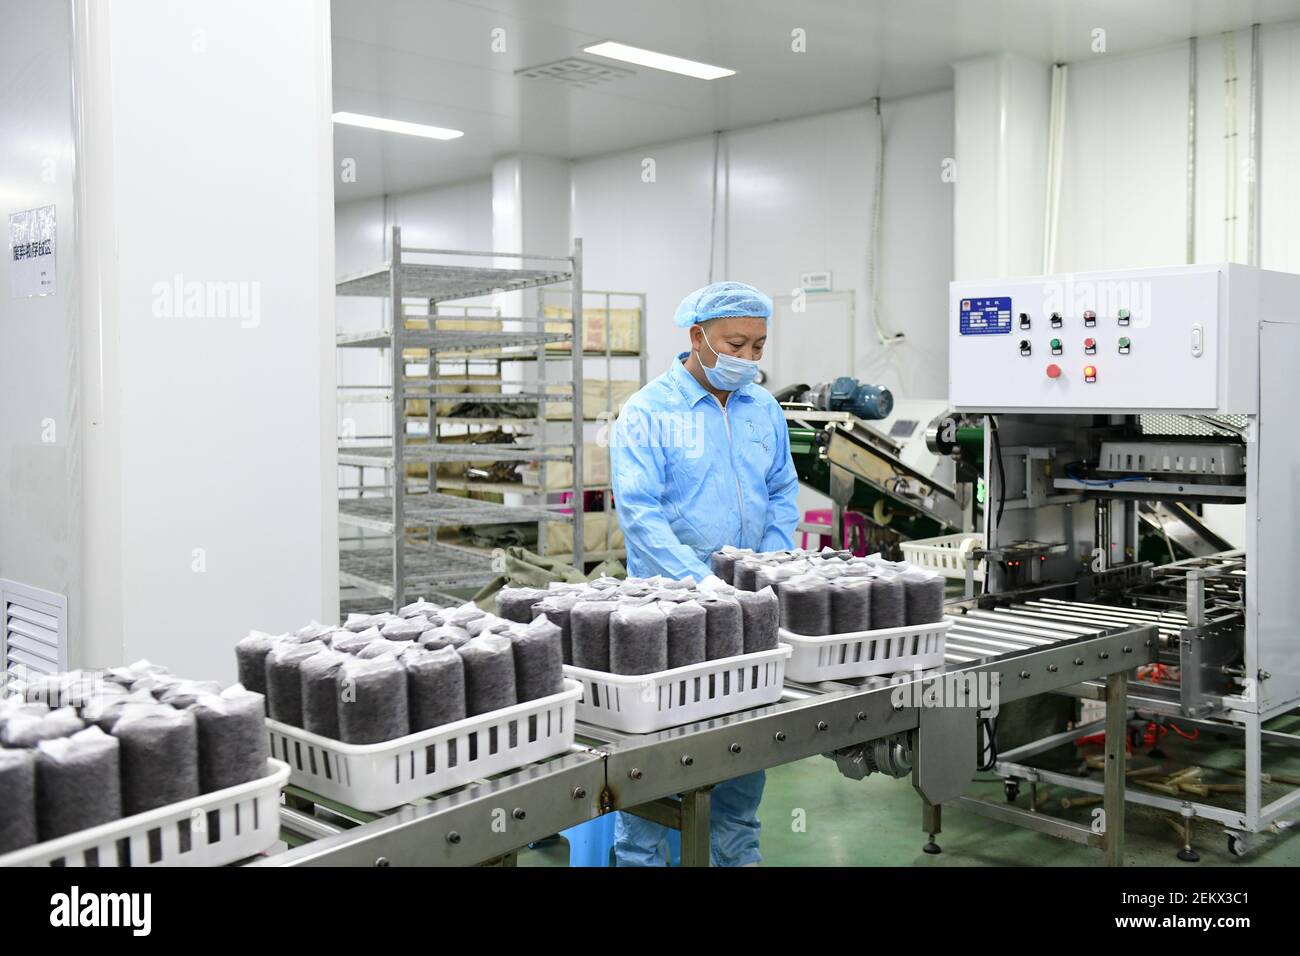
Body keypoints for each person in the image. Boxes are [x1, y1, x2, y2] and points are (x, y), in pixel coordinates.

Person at [608, 280, 800, 866]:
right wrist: (701, 582)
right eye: (734, 343)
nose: (746, 358)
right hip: (667, 612)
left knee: (741, 757)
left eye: (758, 347)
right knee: (656, 765)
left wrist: (762, 567)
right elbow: (640, 515)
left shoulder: (763, 409)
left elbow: (782, 490)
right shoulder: (648, 411)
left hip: (748, 609)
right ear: (697, 337)